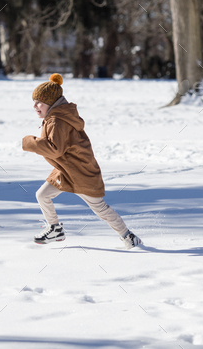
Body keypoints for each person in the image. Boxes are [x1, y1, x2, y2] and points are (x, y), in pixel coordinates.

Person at [22, 73, 143, 249]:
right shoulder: (56, 116)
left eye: (38, 102)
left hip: (80, 172)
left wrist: (29, 142)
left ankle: (128, 236)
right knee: (42, 195)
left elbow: (55, 149)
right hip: (66, 170)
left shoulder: (57, 120)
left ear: (50, 103)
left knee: (100, 208)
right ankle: (55, 229)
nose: (34, 106)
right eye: (34, 102)